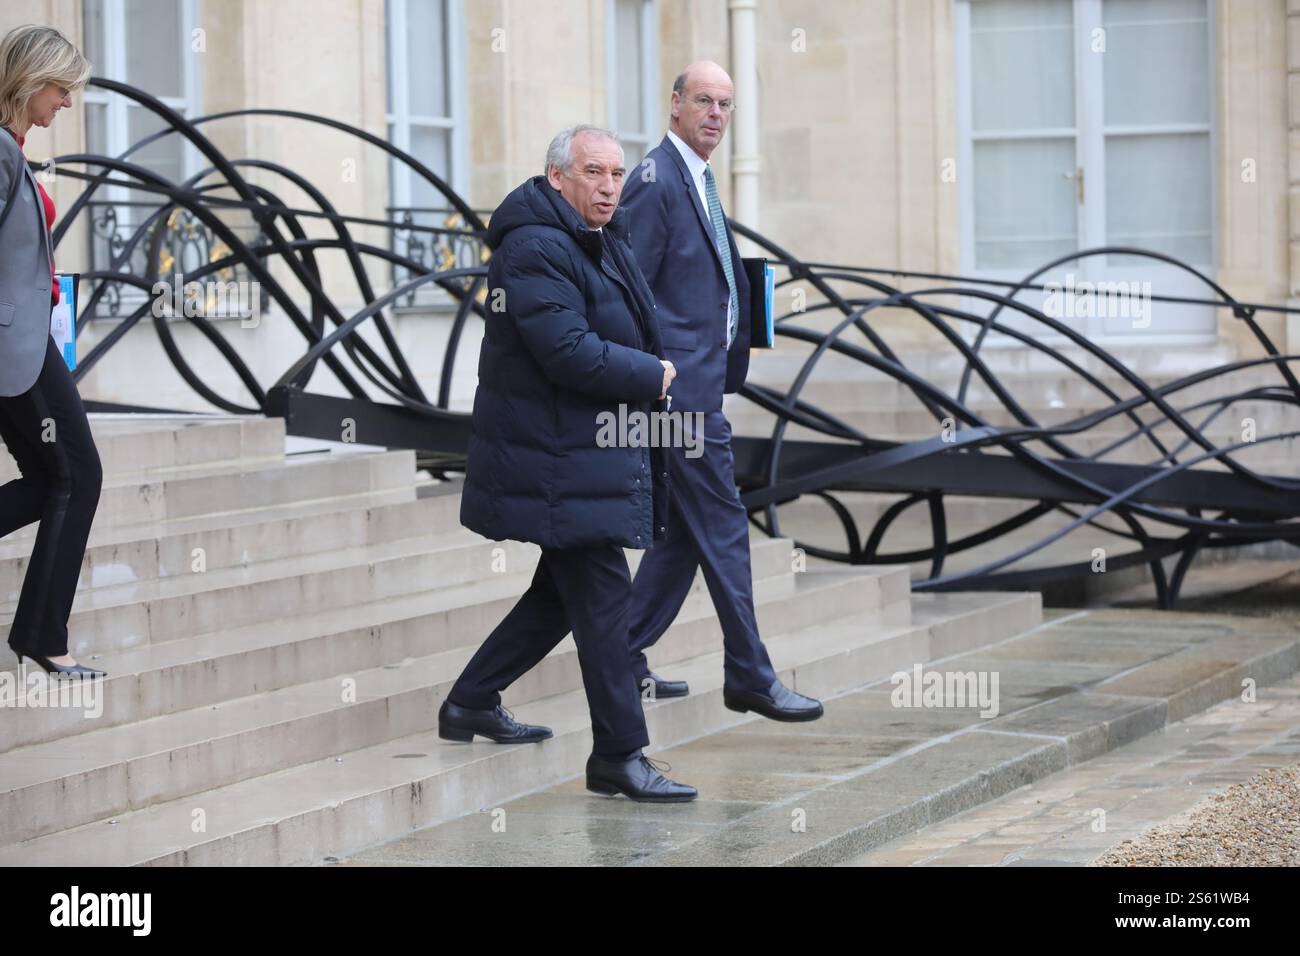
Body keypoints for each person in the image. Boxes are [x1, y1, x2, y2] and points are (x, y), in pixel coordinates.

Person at [438, 125, 696, 802]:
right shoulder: (535, 247)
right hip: (555, 457)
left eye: (616, 173)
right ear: (557, 177)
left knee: (560, 596)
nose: (609, 187)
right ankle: (619, 754)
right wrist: (650, 375)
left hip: (581, 452)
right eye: (593, 172)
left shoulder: (598, 236)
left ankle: (470, 700)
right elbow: (567, 350)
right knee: (604, 601)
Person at [617, 61, 822, 721]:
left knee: (682, 534)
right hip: (676, 400)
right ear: (674, 104)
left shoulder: (697, 178)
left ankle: (620, 654)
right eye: (703, 100)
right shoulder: (655, 179)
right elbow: (630, 292)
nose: (715, 115)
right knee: (726, 524)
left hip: (702, 387)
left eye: (725, 104)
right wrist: (654, 382)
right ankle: (750, 675)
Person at [0, 24, 103, 679]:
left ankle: (41, 632)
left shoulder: (11, 149)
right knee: (80, 474)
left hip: (26, 336)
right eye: (62, 89)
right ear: (31, 80)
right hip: (14, 342)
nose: (67, 103)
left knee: (51, 479)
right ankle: (44, 636)